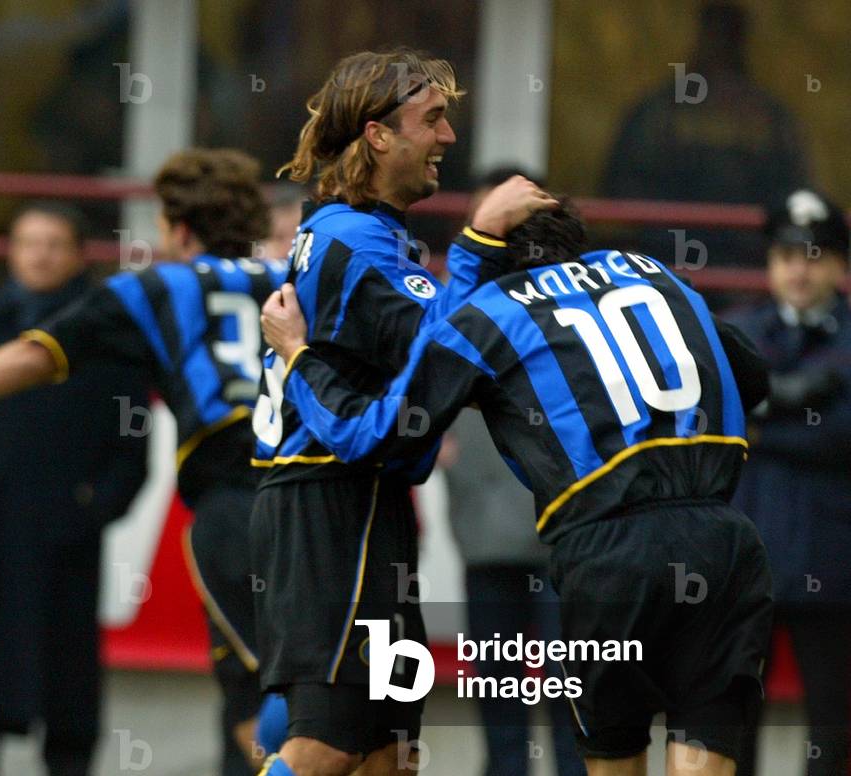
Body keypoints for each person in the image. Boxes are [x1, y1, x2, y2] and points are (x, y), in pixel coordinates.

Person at [261, 202, 774, 776]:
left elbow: (372, 435)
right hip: (725, 542)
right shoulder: (652, 273)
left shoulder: (492, 310)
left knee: (614, 754)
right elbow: (753, 377)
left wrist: (298, 358)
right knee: (706, 751)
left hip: (609, 549)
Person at [0, 149, 288, 775]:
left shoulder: (150, 291)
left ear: (178, 229)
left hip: (235, 508)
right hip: (330, 496)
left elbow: (39, 354)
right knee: (346, 699)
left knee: (256, 703)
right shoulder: (297, 281)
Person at [249, 48, 557, 776]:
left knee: (391, 748)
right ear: (378, 135)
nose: (447, 136)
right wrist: (480, 241)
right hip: (330, 506)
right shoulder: (352, 240)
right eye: (433, 119)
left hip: (366, 502)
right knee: (329, 742)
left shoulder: (360, 232)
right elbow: (447, 349)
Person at [0, 201, 149, 776]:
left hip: (66, 546)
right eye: (28, 243)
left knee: (67, 704)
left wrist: (90, 512)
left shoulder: (108, 339)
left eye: (53, 243)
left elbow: (132, 443)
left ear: (79, 255)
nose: (40, 256)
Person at [440, 166, 584, 776]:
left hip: (564, 542)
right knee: (500, 694)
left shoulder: (568, 306)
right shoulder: (454, 306)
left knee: (572, 695)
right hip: (487, 541)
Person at [727, 189, 851, 776]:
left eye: (815, 255)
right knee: (732, 717)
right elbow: (713, 422)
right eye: (786, 256)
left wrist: (760, 415)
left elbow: (841, 436)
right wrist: (803, 401)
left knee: (830, 717)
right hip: (747, 557)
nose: (800, 270)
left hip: (832, 558)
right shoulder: (737, 332)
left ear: (840, 264)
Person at [602, 1, 809, 267]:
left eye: (727, 36)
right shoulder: (659, 112)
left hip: (744, 261)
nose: (719, 46)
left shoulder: (769, 119)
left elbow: (792, 192)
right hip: (663, 252)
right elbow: (622, 184)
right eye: (713, 34)